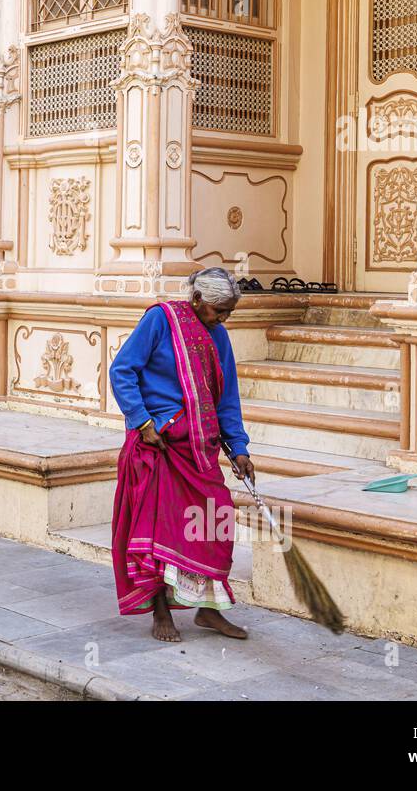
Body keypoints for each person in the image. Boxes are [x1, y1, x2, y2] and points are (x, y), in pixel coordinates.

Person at [107, 267, 255, 642]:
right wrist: (142, 421)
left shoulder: (218, 337)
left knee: (215, 521)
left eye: (228, 313)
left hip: (199, 450)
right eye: (219, 310)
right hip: (159, 444)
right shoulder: (161, 320)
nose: (223, 319)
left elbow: (227, 396)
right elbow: (122, 370)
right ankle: (161, 612)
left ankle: (210, 610)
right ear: (197, 300)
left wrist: (238, 448)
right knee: (159, 531)